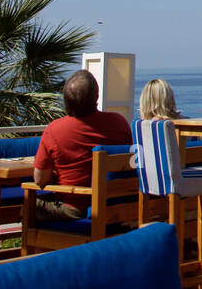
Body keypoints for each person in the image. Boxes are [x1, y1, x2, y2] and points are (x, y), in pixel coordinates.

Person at [32, 70, 132, 222]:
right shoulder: (120, 123)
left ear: (66, 99)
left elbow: (40, 180)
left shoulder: (54, 130)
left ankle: (39, 245)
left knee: (29, 205)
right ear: (96, 96)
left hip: (76, 209)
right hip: (116, 208)